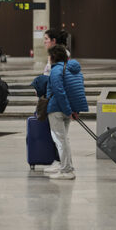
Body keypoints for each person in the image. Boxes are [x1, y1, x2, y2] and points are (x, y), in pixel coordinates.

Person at [45, 44, 88, 180]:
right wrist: (74, 110)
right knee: (64, 140)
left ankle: (66, 170)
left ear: (53, 57)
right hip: (68, 110)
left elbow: (59, 92)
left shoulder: (56, 70)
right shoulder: (73, 70)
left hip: (57, 109)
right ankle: (67, 166)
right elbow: (77, 90)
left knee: (60, 140)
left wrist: (68, 110)